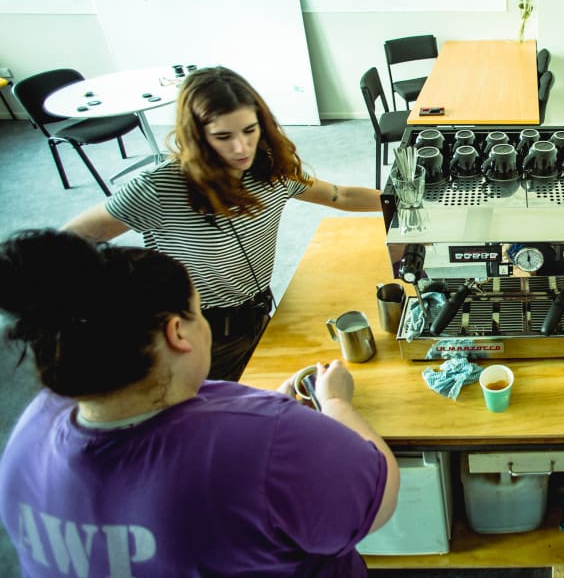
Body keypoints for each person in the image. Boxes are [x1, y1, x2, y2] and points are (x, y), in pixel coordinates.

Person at [0, 229, 399, 577]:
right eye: (198, 311)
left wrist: (266, 413)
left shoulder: (38, 419)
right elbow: (378, 504)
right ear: (177, 332)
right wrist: (335, 403)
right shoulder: (269, 440)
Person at [63, 66, 381, 381]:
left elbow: (341, 196)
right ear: (197, 135)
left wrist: (405, 200)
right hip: (198, 336)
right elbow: (66, 241)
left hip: (258, 314)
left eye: (249, 130)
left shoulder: (271, 172)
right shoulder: (159, 189)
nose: (241, 148)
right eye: (223, 136)